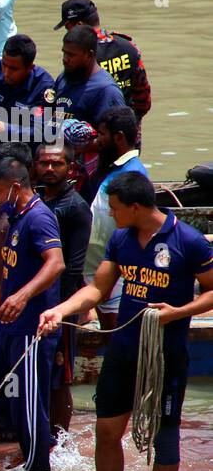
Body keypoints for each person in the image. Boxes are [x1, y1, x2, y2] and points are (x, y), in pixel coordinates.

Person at [38, 172, 213, 471]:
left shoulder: (189, 241)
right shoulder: (121, 239)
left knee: (165, 439)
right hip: (124, 349)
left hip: (165, 356)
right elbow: (98, 289)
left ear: (135, 207)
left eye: (115, 208)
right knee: (106, 431)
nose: (111, 215)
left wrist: (178, 312)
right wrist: (60, 310)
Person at [0, 157, 64, 471]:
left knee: (30, 399)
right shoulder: (14, 216)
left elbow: (56, 263)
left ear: (14, 187)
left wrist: (24, 296)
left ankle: (37, 467)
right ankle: (29, 438)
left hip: (33, 327)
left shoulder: (39, 218)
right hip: (6, 324)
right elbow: (10, 275)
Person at [34, 142, 92, 433]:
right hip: (37, 298)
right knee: (40, 371)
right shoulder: (38, 202)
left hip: (60, 303)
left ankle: (59, 438)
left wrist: (62, 308)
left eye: (56, 164)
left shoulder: (76, 208)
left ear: (69, 168)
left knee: (60, 373)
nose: (49, 169)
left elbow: (74, 266)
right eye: (43, 163)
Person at [83, 106, 149, 330]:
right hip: (97, 274)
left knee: (115, 337)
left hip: (114, 277)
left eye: (101, 134)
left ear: (118, 137)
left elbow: (136, 228)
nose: (97, 140)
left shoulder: (130, 176)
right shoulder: (112, 169)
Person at [54, 0, 151, 140]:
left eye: (68, 28)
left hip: (91, 138)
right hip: (128, 133)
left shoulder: (83, 57)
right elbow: (144, 99)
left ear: (79, 25)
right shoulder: (129, 47)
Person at [0, 33, 55, 144]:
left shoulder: (44, 88)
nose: (6, 73)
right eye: (3, 65)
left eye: (13, 69)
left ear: (30, 68)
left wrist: (2, 127)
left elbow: (40, 132)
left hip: (22, 149)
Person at [50, 24, 126, 130]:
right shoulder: (64, 77)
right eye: (64, 53)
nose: (65, 59)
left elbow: (112, 139)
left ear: (89, 55)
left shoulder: (106, 91)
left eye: (71, 55)